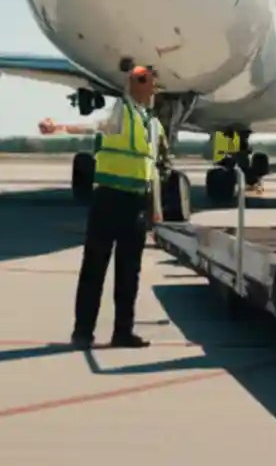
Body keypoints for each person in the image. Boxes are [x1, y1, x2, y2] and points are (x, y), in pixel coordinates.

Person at [69, 65, 167, 349]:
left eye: (150, 83)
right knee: (94, 269)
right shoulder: (121, 111)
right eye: (143, 82)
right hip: (108, 199)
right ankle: (82, 332)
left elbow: (154, 168)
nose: (148, 88)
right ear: (132, 85)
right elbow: (95, 125)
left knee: (129, 272)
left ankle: (123, 331)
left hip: (136, 203)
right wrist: (60, 128)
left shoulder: (152, 124)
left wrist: (156, 208)